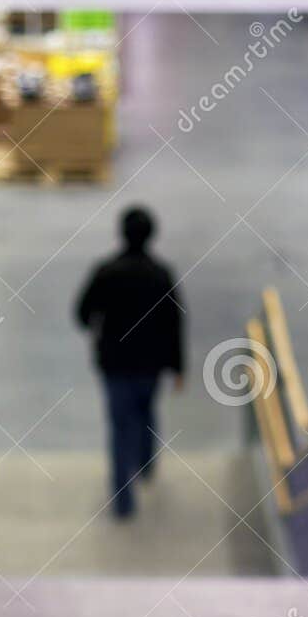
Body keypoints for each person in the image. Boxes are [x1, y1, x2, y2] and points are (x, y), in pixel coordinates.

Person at [74, 206, 185, 519]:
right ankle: (147, 465)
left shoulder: (106, 271)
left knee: (120, 426)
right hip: (151, 364)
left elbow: (82, 314)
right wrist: (178, 368)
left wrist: (98, 325)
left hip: (115, 364)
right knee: (147, 411)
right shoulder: (161, 274)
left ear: (121, 233)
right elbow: (175, 323)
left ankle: (123, 501)